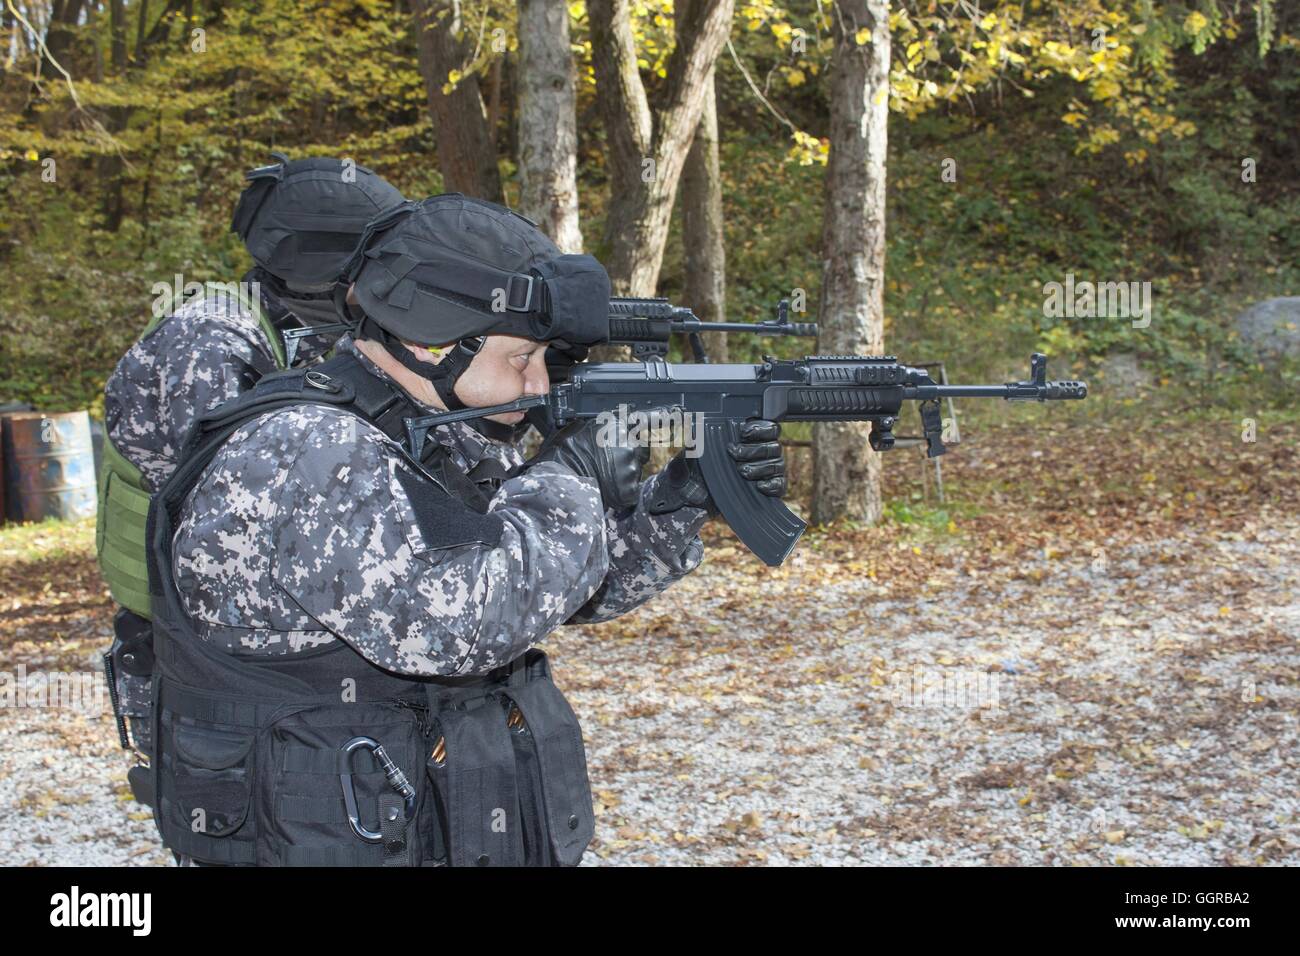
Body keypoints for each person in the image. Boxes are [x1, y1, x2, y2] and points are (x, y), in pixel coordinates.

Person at [145, 194, 787, 866]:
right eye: (521, 359)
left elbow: (547, 587)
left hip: (419, 818)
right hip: (332, 833)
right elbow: (458, 630)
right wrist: (571, 476)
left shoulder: (425, 429)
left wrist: (677, 504)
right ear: (432, 341)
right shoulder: (312, 450)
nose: (538, 382)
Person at [98, 155, 404, 769]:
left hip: (245, 655)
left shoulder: (286, 326)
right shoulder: (208, 344)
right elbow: (243, 512)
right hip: (198, 660)